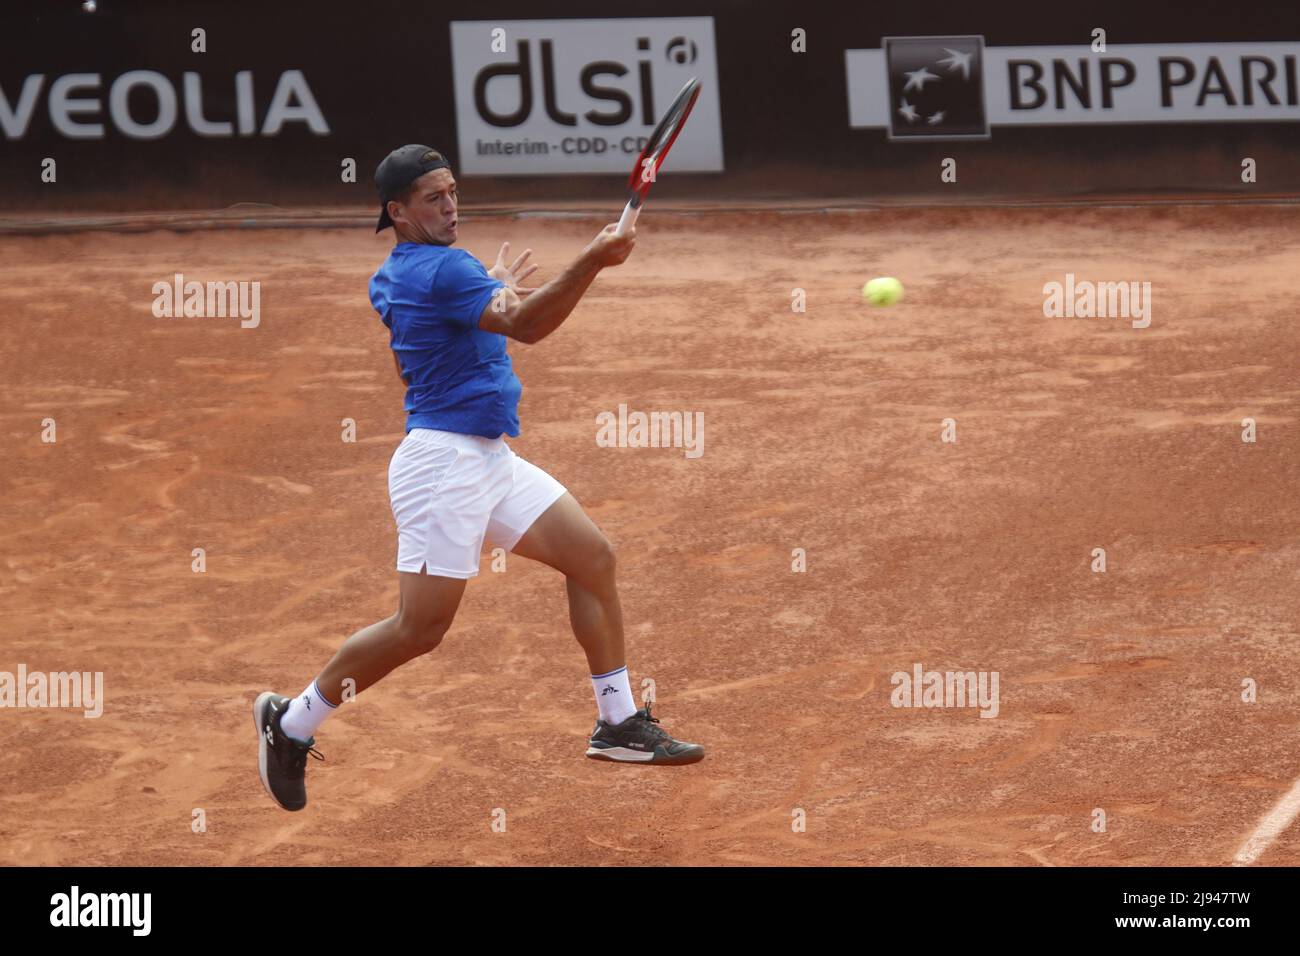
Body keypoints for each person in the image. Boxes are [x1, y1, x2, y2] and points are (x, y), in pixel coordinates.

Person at [253, 145, 704, 812]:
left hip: (487, 459)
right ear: (397, 212)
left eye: (453, 193)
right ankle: (290, 723)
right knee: (419, 630)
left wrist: (488, 285)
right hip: (444, 469)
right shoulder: (443, 272)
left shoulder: (400, 272)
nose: (450, 206)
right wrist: (592, 260)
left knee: (592, 559)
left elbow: (467, 313)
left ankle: (617, 722)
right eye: (433, 199)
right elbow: (524, 325)